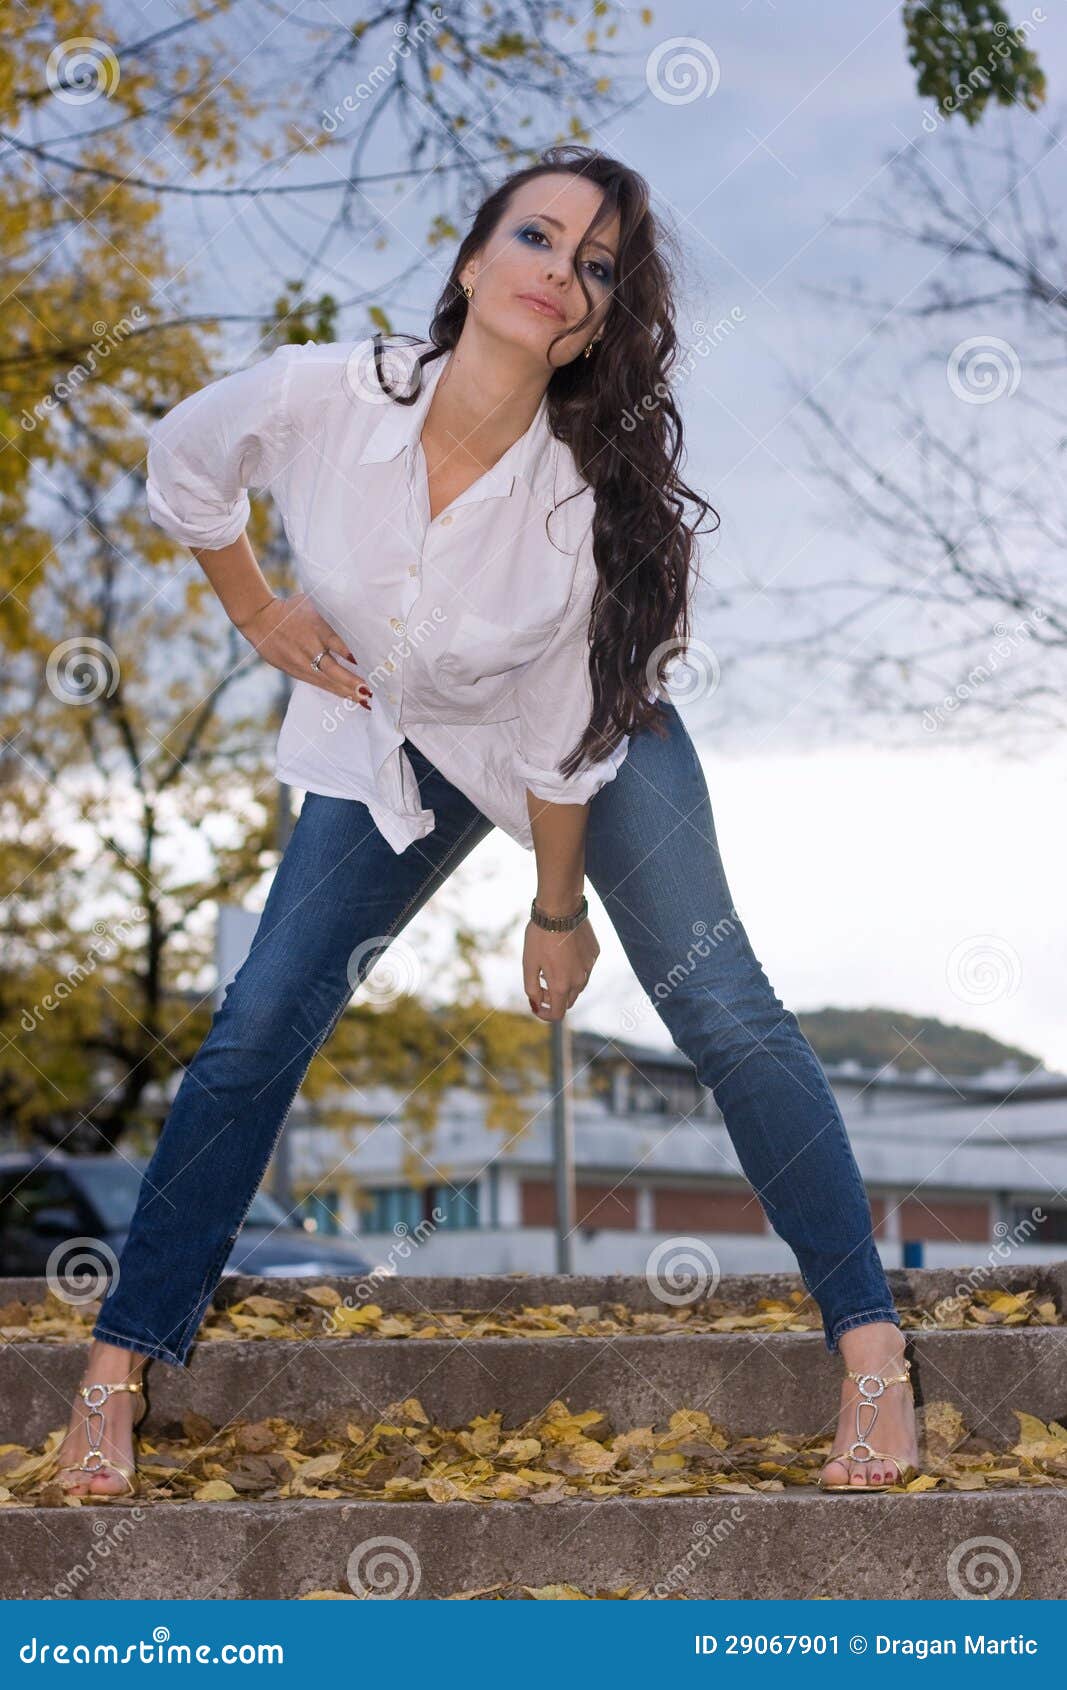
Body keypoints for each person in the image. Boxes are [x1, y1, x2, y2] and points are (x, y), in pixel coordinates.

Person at [54, 145, 919, 1500]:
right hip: (392, 728)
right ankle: (116, 1366)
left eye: (594, 266)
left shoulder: (577, 506)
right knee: (259, 1020)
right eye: (537, 236)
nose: (559, 270)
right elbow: (185, 458)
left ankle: (871, 1348)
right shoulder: (330, 394)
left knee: (723, 1007)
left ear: (593, 324)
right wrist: (260, 609)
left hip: (584, 739)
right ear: (471, 261)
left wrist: (557, 912)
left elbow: (562, 739)